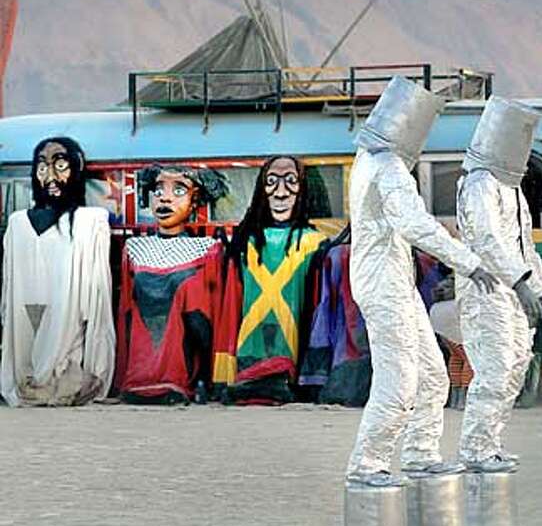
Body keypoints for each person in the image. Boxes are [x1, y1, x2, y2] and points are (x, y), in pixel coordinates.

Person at [345, 76, 498, 487]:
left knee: (433, 374)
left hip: (391, 281)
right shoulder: (389, 168)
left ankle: (420, 453)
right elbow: (415, 225)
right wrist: (468, 262)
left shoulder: (365, 160)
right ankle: (368, 464)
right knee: (401, 379)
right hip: (385, 286)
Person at [456, 96, 542, 472]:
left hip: (514, 291)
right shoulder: (479, 184)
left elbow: (523, 242)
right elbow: (488, 240)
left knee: (516, 363)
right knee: (495, 368)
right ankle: (475, 449)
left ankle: (491, 442)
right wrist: (522, 284)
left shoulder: (510, 188)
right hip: (487, 293)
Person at [1, 137, 115, 406]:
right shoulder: (18, 224)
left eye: (60, 165)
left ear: (76, 169)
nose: (50, 176)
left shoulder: (89, 223)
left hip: (69, 324)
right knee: (26, 345)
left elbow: (96, 297)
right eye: (42, 168)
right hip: (26, 313)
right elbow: (9, 286)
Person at [115, 163, 235, 405]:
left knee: (196, 310)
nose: (165, 199)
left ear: (194, 202)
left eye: (178, 191)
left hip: (189, 351)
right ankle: (144, 374)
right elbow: (126, 309)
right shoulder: (135, 249)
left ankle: (198, 377)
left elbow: (213, 313)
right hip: (142, 351)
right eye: (158, 191)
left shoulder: (207, 249)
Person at [213, 155, 326, 405]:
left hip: (294, 344)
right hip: (247, 346)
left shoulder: (313, 242)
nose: (281, 192)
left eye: (291, 181)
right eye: (271, 181)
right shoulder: (245, 241)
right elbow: (231, 302)